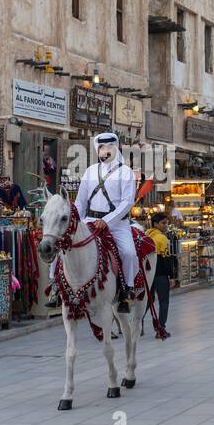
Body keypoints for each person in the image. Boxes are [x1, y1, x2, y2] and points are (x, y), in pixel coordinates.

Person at [75, 131, 139, 312]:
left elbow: (127, 202)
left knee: (128, 253)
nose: (106, 150)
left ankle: (126, 291)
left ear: (116, 148)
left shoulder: (125, 172)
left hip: (117, 224)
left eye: (109, 146)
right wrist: (77, 223)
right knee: (65, 245)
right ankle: (56, 287)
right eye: (102, 147)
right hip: (89, 220)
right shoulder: (90, 171)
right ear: (97, 149)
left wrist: (107, 220)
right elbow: (80, 202)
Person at [146, 211, 177, 328]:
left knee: (148, 301)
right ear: (155, 224)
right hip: (160, 274)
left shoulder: (146, 235)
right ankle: (161, 327)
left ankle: (139, 324)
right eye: (163, 223)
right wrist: (172, 276)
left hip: (148, 274)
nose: (166, 225)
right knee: (163, 302)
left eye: (166, 223)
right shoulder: (162, 238)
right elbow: (166, 259)